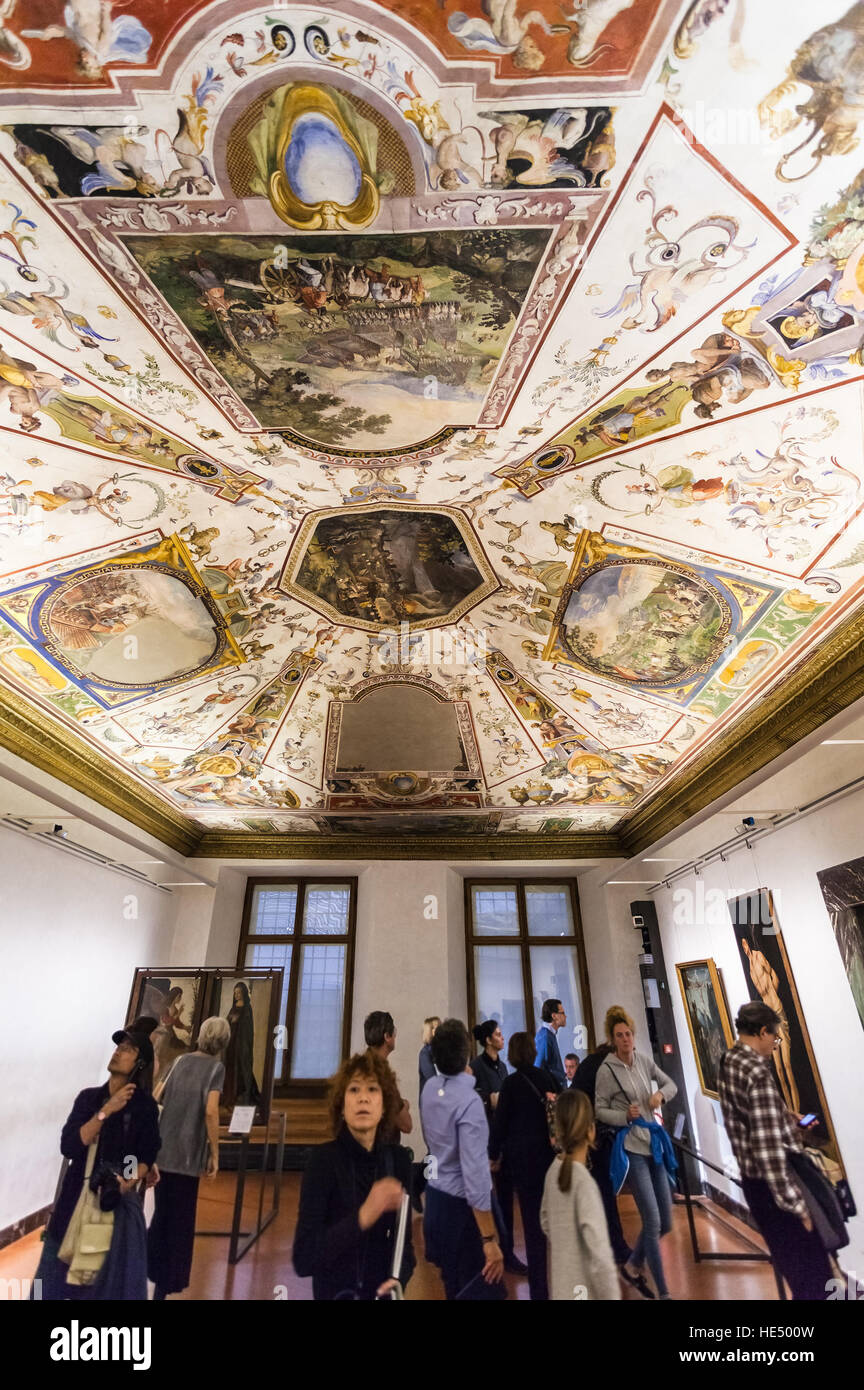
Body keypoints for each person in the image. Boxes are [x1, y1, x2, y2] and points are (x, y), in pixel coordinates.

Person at [33, 1021, 160, 1300]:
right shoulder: (90, 1098)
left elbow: (142, 1154)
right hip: (69, 1209)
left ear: (140, 1063)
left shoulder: (143, 1108)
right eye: (119, 1046)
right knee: (43, 1289)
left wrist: (125, 1181)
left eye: (128, 1049)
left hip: (108, 1216)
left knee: (94, 1291)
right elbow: (70, 1146)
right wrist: (105, 1111)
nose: (118, 1052)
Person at [717, 1001, 832, 1301]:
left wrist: (784, 1118)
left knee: (797, 1276)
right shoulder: (757, 1072)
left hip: (755, 1188)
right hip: (777, 1193)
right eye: (775, 1038)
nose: (775, 1045)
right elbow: (768, 1152)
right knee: (815, 1281)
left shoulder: (729, 1060)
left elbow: (750, 1122)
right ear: (763, 1031)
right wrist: (798, 1208)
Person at [292, 1050, 415, 1300]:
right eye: (354, 1090)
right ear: (341, 1106)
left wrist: (398, 1278)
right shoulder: (323, 1162)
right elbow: (304, 1258)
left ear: (384, 1106)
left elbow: (405, 1247)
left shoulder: (398, 1161)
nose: (363, 1099)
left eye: (372, 1090)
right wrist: (364, 1216)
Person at [594, 1007, 677, 1300]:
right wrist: (623, 1117)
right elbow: (599, 1108)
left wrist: (660, 1095)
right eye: (620, 1035)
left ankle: (633, 1263)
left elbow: (671, 1084)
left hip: (652, 1142)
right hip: (632, 1146)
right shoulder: (607, 1070)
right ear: (612, 1039)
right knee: (652, 1220)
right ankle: (663, 1291)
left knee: (665, 1221)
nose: (626, 1039)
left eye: (628, 1033)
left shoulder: (643, 1061)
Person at [421, 1018, 505, 1300]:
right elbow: (475, 1175)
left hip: (435, 1200)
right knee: (479, 1289)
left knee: (452, 1286)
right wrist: (489, 1239)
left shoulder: (429, 1089)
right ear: (467, 1054)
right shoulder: (469, 1102)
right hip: (463, 1212)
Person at [147, 1016, 228, 1300]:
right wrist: (215, 1153)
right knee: (181, 1220)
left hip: (163, 1149)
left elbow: (157, 1094)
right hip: (188, 1154)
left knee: (162, 1213)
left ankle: (151, 1271)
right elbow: (210, 1111)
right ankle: (168, 1282)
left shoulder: (180, 1061)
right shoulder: (216, 1068)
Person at [490, 1031, 557, 1300]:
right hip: (548, 1158)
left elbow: (500, 1124)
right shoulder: (546, 1078)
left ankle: (539, 1289)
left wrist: (492, 1154)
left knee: (531, 1225)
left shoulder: (511, 1083)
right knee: (550, 1221)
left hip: (522, 1163)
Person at [541, 1089, 621, 1301]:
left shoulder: (552, 1171)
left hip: (562, 1287)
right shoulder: (584, 1183)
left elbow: (545, 1220)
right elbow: (600, 1256)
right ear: (591, 1130)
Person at [573, 1014, 632, 1267]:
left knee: (601, 1189)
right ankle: (613, 1246)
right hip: (595, 1134)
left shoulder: (593, 1063)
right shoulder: (606, 1066)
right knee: (604, 1190)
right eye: (622, 1036)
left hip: (591, 1133)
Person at [470, 1019, 527, 1276]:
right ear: (488, 1040)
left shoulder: (503, 1067)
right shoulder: (476, 1067)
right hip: (486, 1139)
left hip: (506, 1138)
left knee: (505, 1197)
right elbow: (478, 1100)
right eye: (498, 1034)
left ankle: (508, 1251)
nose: (502, 1038)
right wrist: (489, 1100)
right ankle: (485, 1249)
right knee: (485, 1198)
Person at [364, 1010, 412, 1141]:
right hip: (380, 1153)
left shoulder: (359, 1068)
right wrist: (405, 1105)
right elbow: (406, 1125)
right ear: (387, 1036)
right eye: (394, 1032)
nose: (395, 1037)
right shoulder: (381, 1075)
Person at [222, 981, 261, 1110]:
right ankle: (229, 1098)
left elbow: (247, 1028)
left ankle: (240, 1097)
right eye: (235, 992)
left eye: (239, 992)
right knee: (230, 1069)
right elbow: (228, 1021)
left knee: (241, 1070)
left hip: (240, 1044)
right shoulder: (233, 1007)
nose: (237, 995)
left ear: (244, 993)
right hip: (231, 1044)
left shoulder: (246, 1008)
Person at [534, 998, 566, 1090]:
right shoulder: (545, 1037)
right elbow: (538, 1069)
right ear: (554, 1016)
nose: (565, 1016)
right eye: (562, 1013)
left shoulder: (550, 1035)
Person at [418, 1016, 440, 1092]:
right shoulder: (425, 1053)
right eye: (439, 1027)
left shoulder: (442, 1051)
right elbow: (432, 1078)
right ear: (430, 1031)